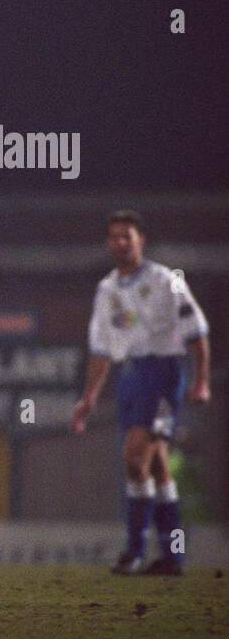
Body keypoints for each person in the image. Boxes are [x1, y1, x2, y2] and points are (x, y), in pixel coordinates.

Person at [72, 210, 210, 576]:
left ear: (141, 240)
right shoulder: (107, 290)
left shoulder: (166, 281)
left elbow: (197, 332)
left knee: (134, 458)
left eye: (127, 236)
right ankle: (173, 557)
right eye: (114, 237)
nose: (121, 243)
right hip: (131, 376)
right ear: (108, 243)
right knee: (159, 468)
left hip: (163, 375)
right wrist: (89, 399)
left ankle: (133, 551)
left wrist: (201, 381)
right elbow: (101, 351)